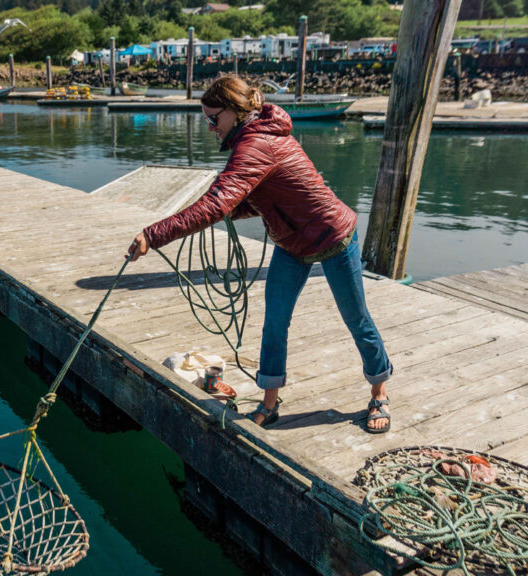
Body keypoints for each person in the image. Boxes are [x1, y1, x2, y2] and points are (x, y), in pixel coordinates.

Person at [126, 75, 393, 433]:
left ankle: (379, 392)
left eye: (213, 119)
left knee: (356, 318)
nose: (210, 127)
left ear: (234, 111)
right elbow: (260, 198)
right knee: (274, 323)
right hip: (292, 243)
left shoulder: (256, 143)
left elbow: (216, 204)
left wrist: (153, 234)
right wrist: (232, 208)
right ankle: (270, 403)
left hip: (333, 235)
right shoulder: (253, 139)